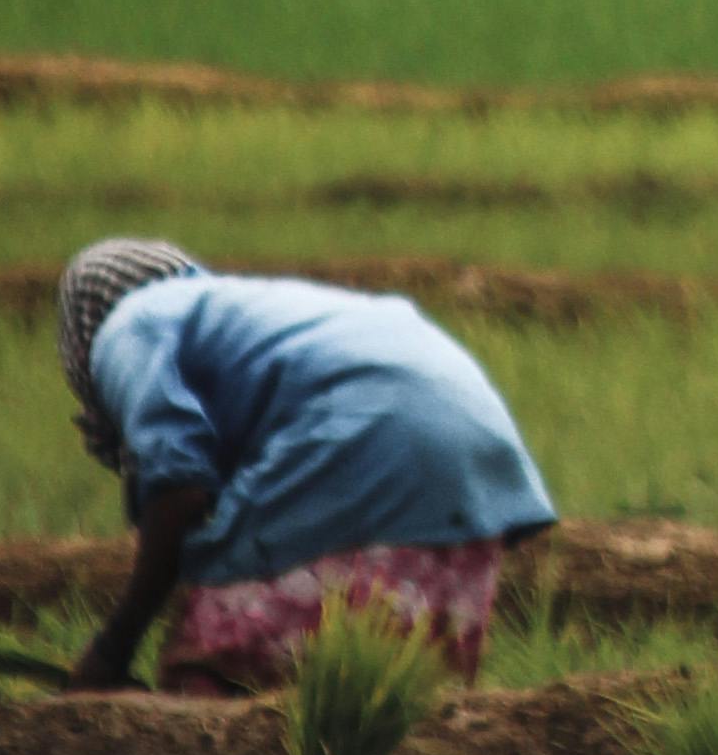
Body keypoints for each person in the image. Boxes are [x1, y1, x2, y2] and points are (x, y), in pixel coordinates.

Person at [54, 240, 557, 692]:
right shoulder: (243, 312)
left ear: (81, 337)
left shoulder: (128, 324)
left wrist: (111, 650)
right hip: (473, 480)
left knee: (210, 667)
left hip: (365, 442)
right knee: (396, 717)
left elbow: (179, 490)